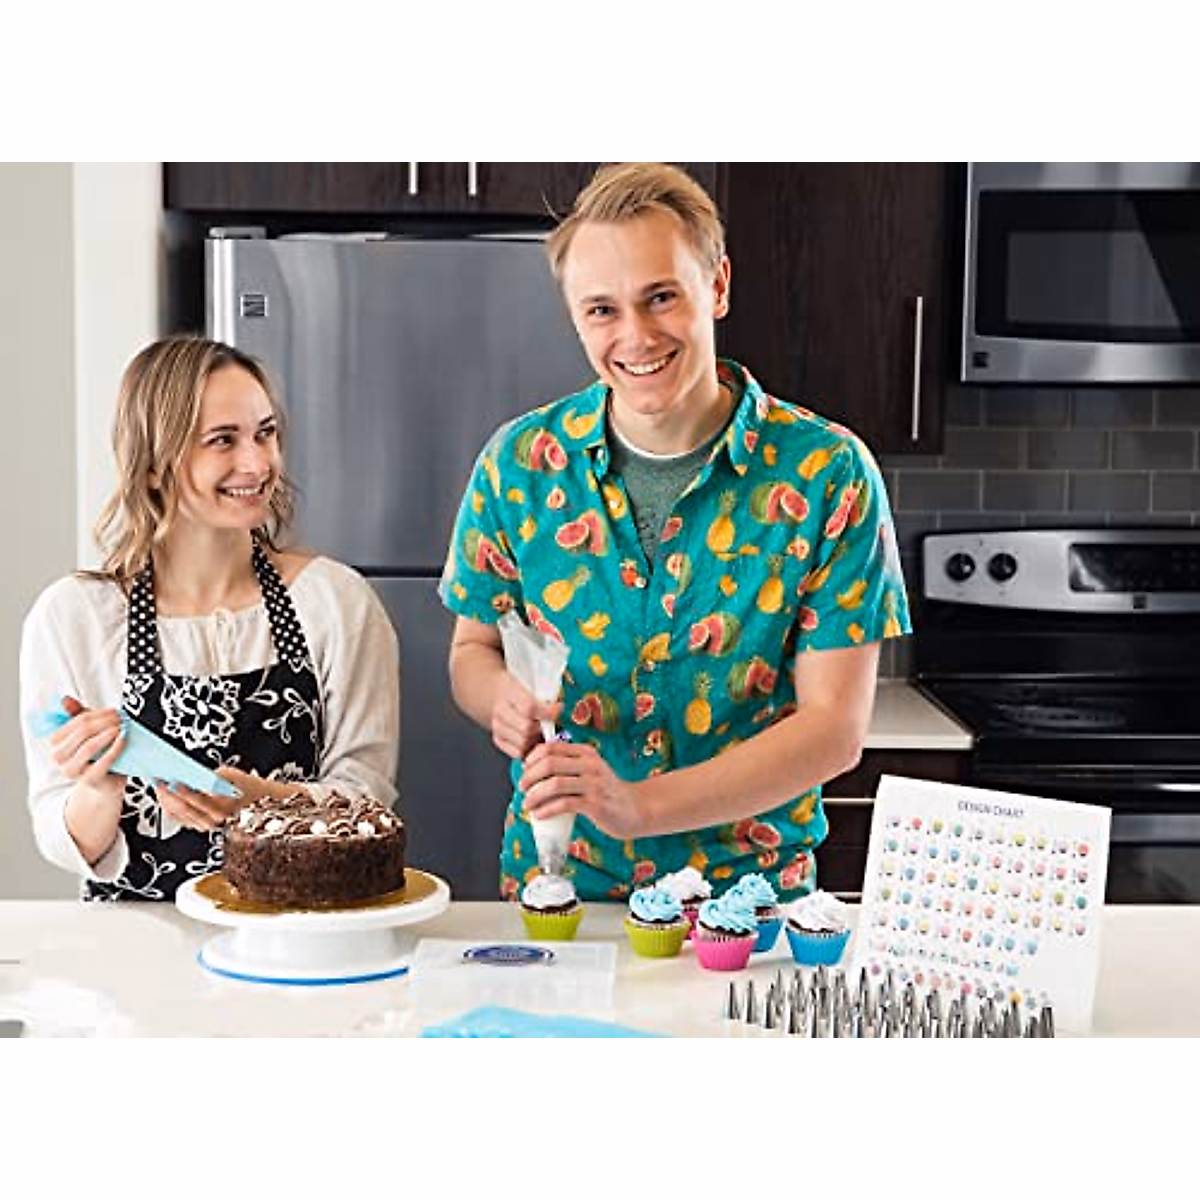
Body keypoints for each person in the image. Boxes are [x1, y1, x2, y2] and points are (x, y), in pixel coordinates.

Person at [440, 162, 910, 903]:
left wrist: (641, 807)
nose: (635, 336)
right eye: (602, 310)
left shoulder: (828, 473)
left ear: (717, 286)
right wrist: (500, 696)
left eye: (661, 297)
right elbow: (473, 650)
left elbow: (834, 731)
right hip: (560, 891)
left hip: (749, 905)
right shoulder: (519, 465)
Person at [19, 335, 399, 901]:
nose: (258, 463)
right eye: (223, 440)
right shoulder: (75, 617)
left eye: (265, 433)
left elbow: (367, 800)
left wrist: (257, 802)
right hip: (137, 939)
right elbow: (58, 833)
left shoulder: (335, 602)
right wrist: (100, 788)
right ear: (153, 466)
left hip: (300, 931)